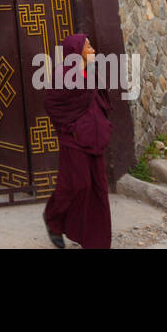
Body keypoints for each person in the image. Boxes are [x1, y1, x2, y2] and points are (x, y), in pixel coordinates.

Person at [42, 32, 112, 249]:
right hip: (73, 138)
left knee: (97, 187)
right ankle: (53, 219)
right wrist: (70, 128)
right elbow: (55, 104)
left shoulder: (91, 72)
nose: (93, 50)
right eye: (88, 47)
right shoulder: (62, 74)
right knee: (76, 185)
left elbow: (100, 101)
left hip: (94, 138)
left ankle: (95, 240)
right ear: (75, 50)